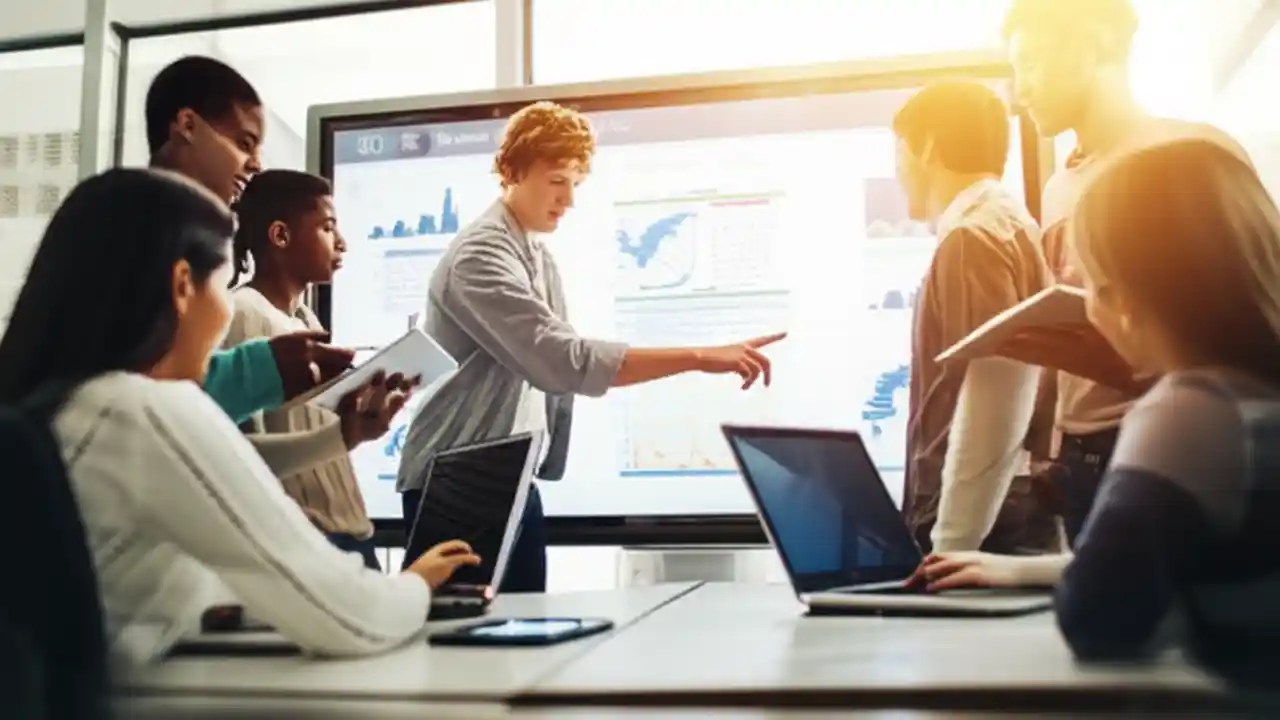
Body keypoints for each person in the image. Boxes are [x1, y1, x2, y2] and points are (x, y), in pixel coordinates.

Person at [0, 168, 480, 664]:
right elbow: (351, 617)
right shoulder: (144, 409)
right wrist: (417, 583)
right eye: (222, 281)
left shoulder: (62, 407)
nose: (226, 308)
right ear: (182, 285)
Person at [917, 139, 1280, 683]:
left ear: (1122, 298)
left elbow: (1100, 617)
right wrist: (1021, 572)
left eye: (1085, 280)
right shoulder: (1255, 403)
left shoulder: (1190, 413)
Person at [397, 101, 786, 592]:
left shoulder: (535, 253)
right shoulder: (479, 255)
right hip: (457, 484)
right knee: (466, 637)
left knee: (523, 628)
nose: (568, 200)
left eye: (576, 184)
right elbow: (563, 361)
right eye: (557, 181)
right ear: (512, 172)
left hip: (507, 476)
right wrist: (700, 357)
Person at [979, 0, 1252, 543]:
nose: (1019, 90)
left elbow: (1246, 333)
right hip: (1081, 454)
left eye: (1030, 63)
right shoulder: (1060, 187)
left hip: (1172, 436)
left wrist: (1129, 366)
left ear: (1095, 44)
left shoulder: (1192, 155)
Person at [891, 80, 1057, 554]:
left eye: (898, 152)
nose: (897, 171)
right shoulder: (1012, 223)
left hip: (977, 516)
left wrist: (951, 542)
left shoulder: (970, 239)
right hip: (1006, 506)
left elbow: (989, 394)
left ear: (927, 146)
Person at [145, 54, 355, 423]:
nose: (256, 164)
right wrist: (258, 369)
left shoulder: (190, 231)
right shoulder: (136, 222)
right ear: (187, 125)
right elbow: (146, 391)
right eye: (244, 143)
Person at [223, 169, 395, 570]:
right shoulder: (244, 313)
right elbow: (237, 450)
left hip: (345, 532)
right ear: (281, 235)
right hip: (306, 537)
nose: (342, 243)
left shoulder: (304, 319)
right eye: (327, 227)